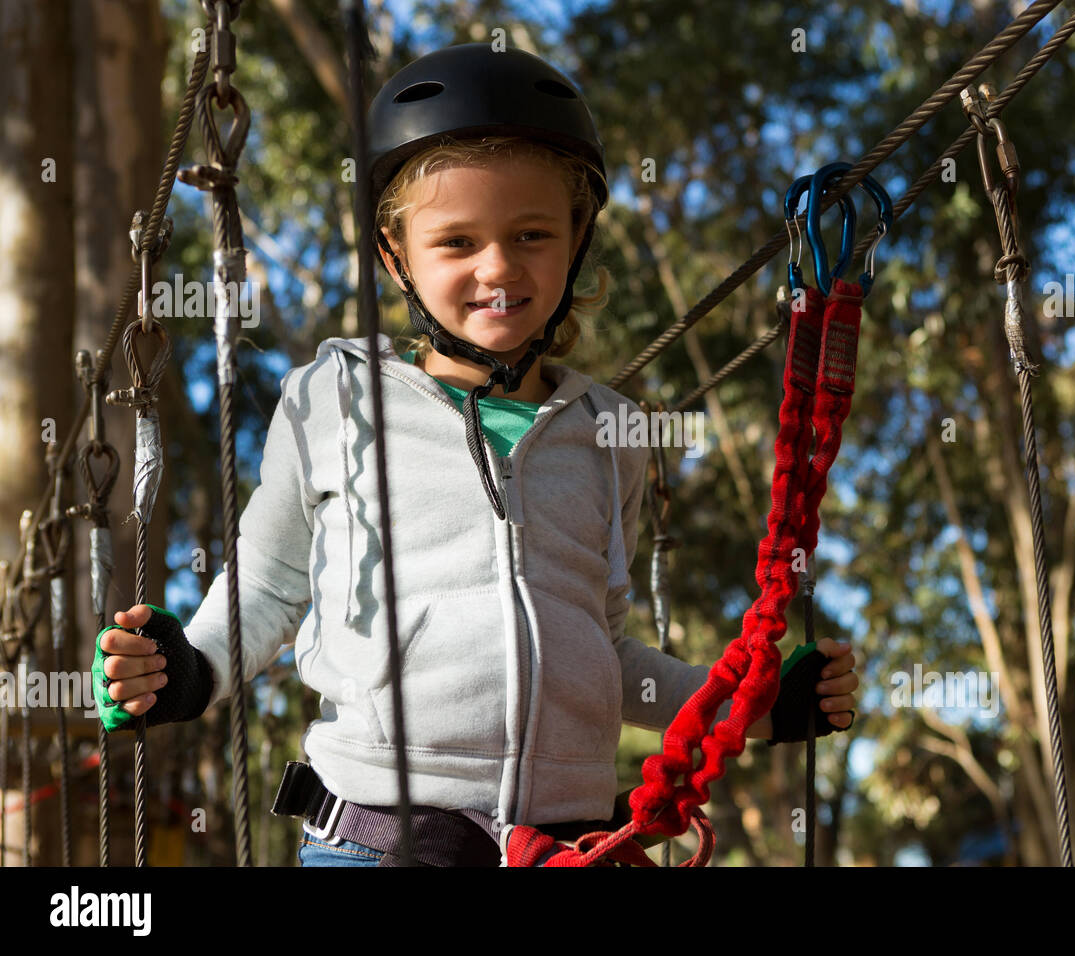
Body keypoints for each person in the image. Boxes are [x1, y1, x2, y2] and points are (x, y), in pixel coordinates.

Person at [92, 42, 859, 868]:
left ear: (576, 240)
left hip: (567, 846)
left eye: (531, 233)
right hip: (376, 840)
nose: (498, 266)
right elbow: (269, 585)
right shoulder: (331, 399)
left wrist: (753, 705)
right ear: (397, 257)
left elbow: (603, 655)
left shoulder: (610, 436)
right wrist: (193, 666)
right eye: (456, 242)